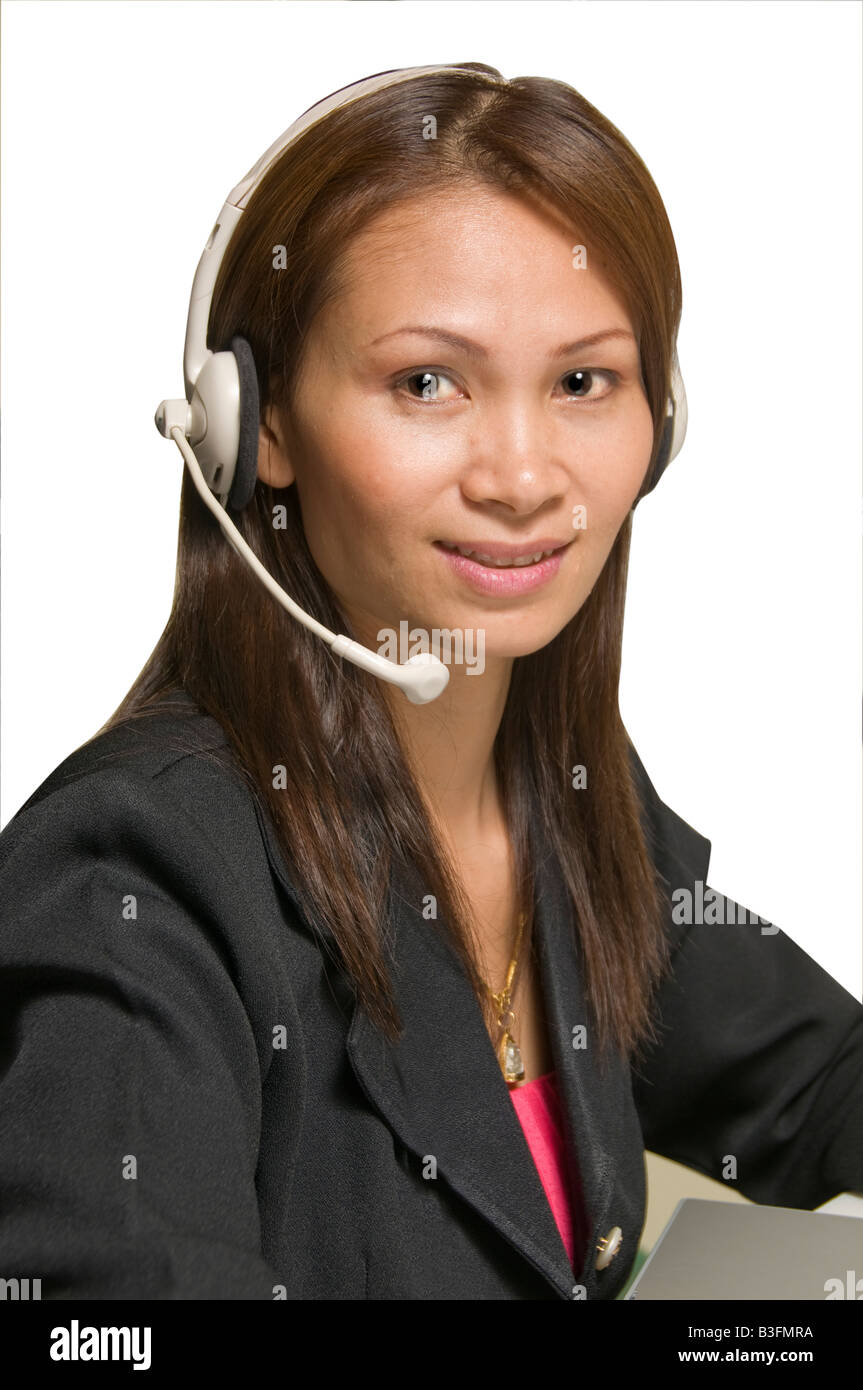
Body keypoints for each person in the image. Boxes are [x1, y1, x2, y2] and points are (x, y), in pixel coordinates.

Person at [1, 62, 861, 1302]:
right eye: (425, 382)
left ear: (658, 429)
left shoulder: (568, 800)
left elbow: (817, 1083)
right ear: (260, 424)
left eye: (582, 383)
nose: (521, 475)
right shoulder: (134, 876)